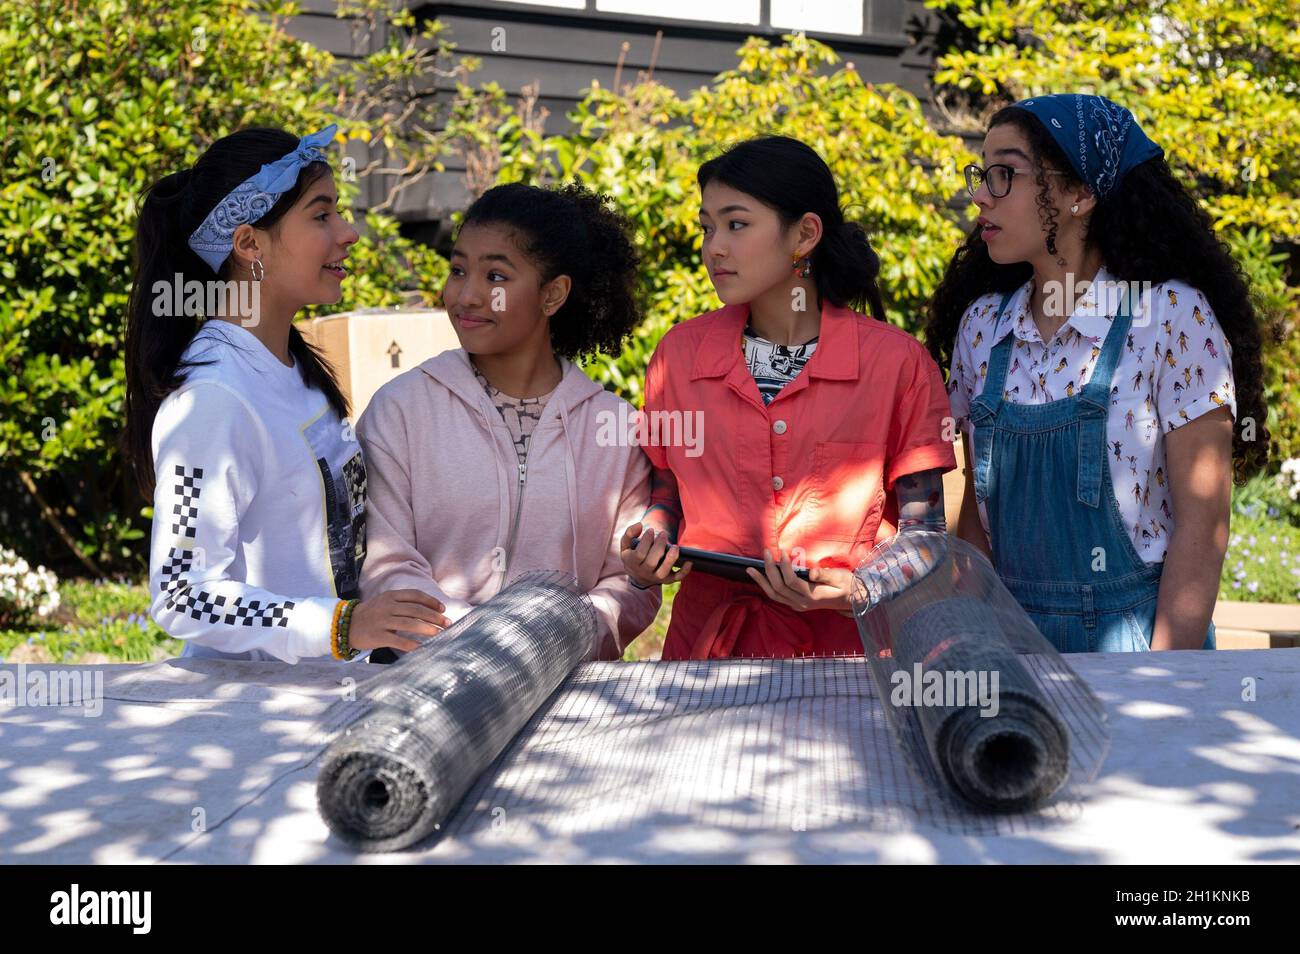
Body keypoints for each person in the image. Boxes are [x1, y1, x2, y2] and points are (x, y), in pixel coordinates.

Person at [925, 94, 1270, 651]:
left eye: (1004, 174)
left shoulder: (1171, 317)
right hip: (1011, 646)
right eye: (980, 173)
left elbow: (1202, 532)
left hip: (1138, 646)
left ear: (1082, 193)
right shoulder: (983, 327)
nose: (980, 194)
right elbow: (975, 521)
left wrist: (1160, 685)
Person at [621, 136, 956, 659]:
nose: (714, 247)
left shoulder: (897, 364)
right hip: (706, 653)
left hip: (852, 657)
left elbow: (926, 535)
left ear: (804, 234)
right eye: (707, 227)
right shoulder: (678, 357)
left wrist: (860, 590)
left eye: (736, 224)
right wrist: (649, 546)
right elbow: (667, 498)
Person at [124, 124, 448, 663]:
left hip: (331, 703)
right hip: (252, 725)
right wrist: (343, 626)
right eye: (321, 215)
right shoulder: (212, 399)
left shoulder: (294, 368)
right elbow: (182, 594)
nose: (348, 233)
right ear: (249, 243)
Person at [357, 182, 661, 662]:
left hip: (571, 695)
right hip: (424, 683)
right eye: (458, 270)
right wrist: (477, 641)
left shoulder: (615, 428)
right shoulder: (401, 410)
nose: (467, 295)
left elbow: (628, 581)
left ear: (553, 294)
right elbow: (387, 562)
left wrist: (559, 639)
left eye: (496, 276)